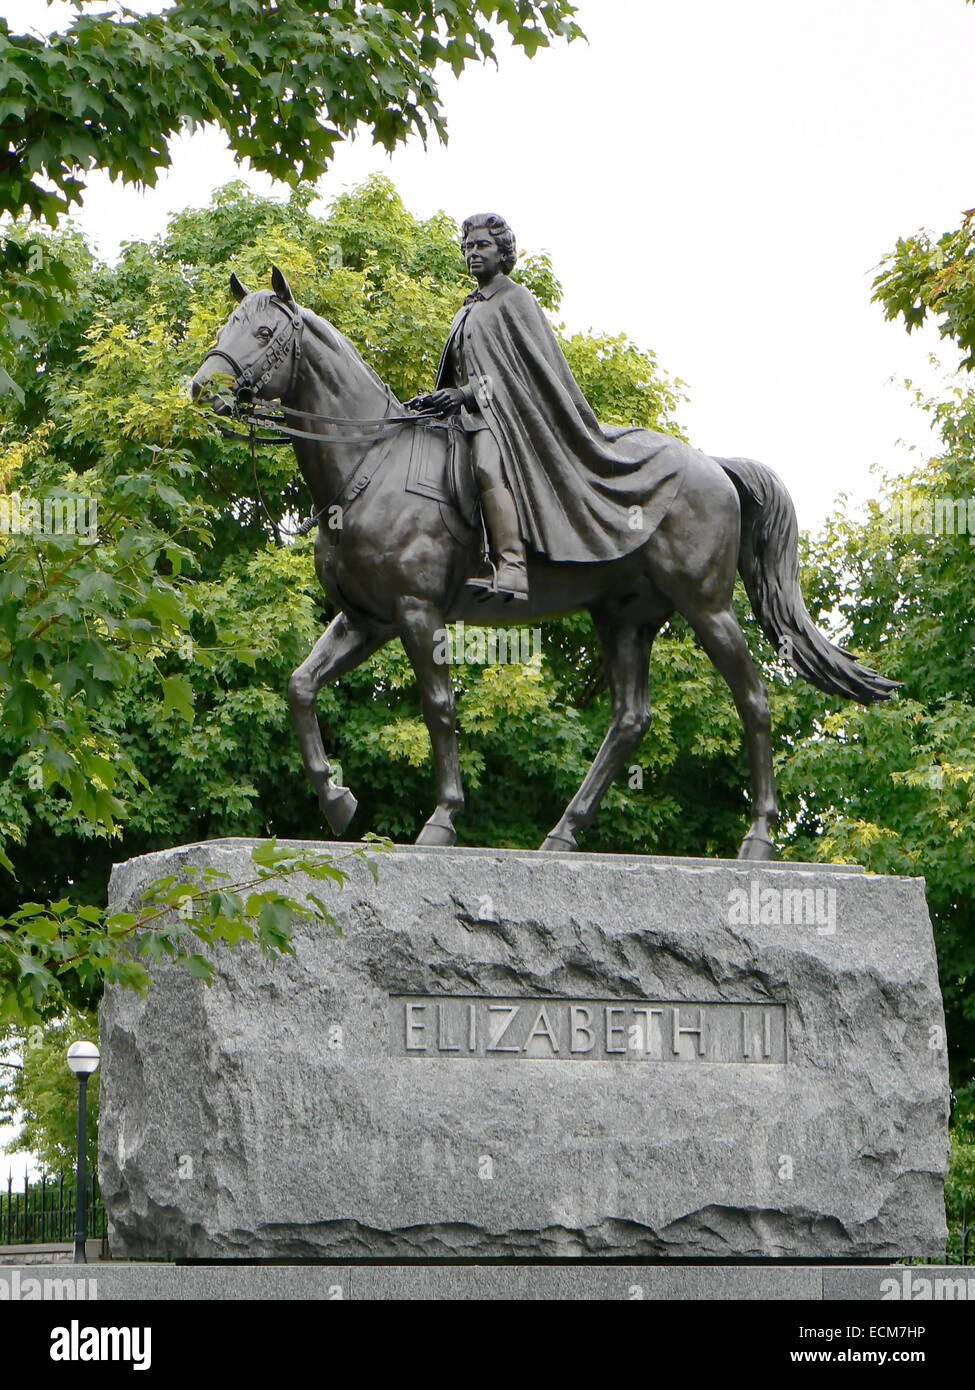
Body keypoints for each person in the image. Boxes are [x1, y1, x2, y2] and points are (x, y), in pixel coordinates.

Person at [410, 213, 685, 601]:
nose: (473, 253)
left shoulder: (515, 299)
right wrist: (439, 399)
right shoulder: (468, 309)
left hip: (506, 417)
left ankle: (513, 566)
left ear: (502, 252)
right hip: (466, 417)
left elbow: (521, 376)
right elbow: (459, 373)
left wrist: (465, 395)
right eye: (469, 246)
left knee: (487, 466)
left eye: (483, 245)